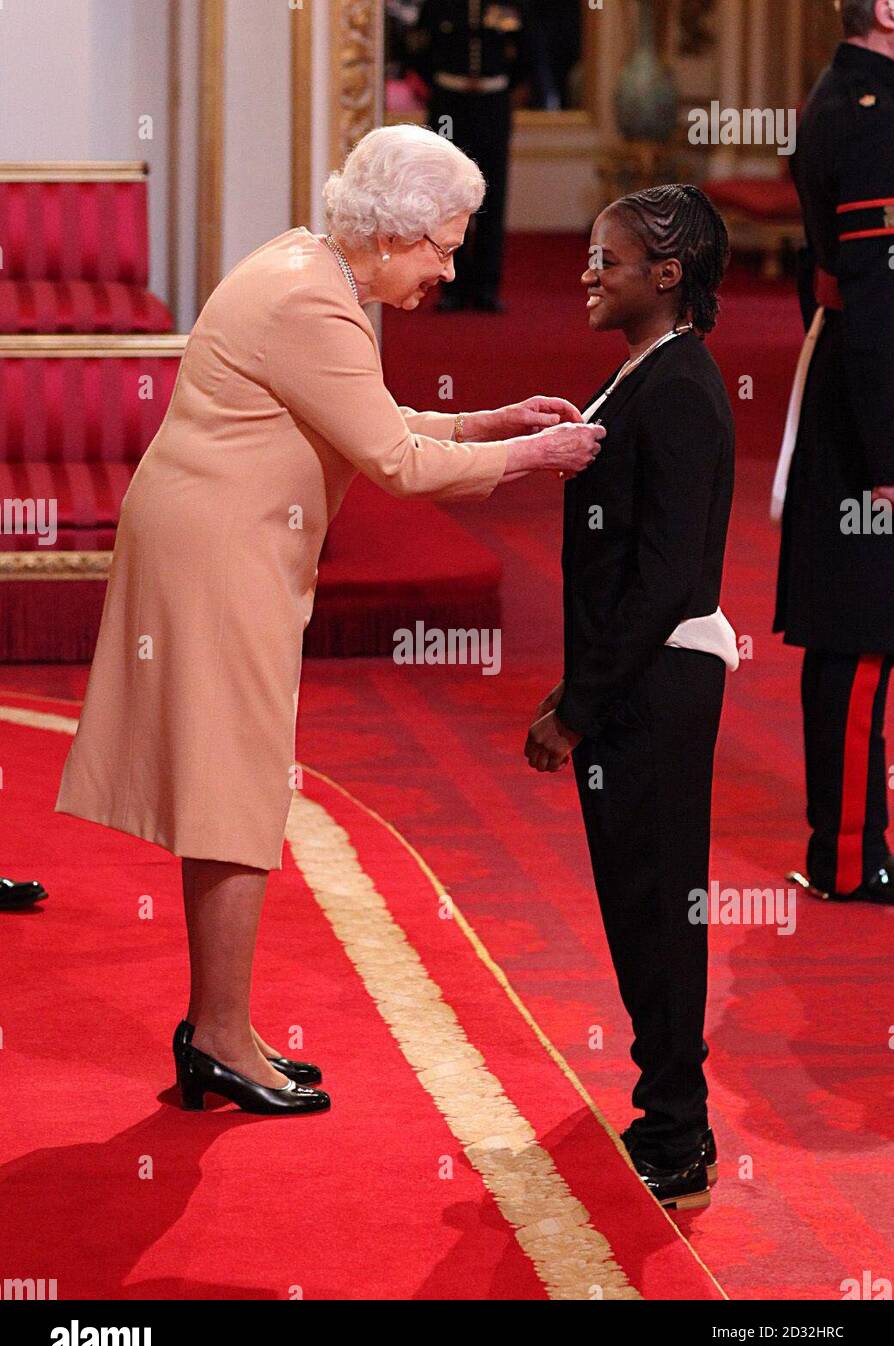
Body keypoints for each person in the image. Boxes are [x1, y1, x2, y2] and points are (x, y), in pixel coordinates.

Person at [54, 124, 603, 1117]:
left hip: (221, 543)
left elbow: (370, 417)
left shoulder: (310, 268)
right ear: (390, 235)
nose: (448, 265)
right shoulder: (313, 298)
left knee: (234, 784)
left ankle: (222, 1026)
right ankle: (218, 1036)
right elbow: (396, 463)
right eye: (441, 242)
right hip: (219, 556)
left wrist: (488, 423)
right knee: (235, 789)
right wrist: (537, 458)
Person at [525, 185, 738, 1210]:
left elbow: (660, 580)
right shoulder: (642, 374)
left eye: (603, 258)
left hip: (658, 684)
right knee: (637, 902)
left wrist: (577, 705)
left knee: (659, 906)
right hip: (634, 681)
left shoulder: (684, 387)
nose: (586, 274)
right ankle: (664, 1103)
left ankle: (681, 1132)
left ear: (666, 274)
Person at [773, 0, 894, 904]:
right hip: (870, 410)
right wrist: (887, 454)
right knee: (861, 640)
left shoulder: (863, 97)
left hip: (860, 392)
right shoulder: (865, 113)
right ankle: (848, 857)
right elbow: (872, 297)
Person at [407, 1, 530, 312]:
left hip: (492, 104)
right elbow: (420, 49)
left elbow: (527, 51)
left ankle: (487, 286)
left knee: (492, 193)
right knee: (448, 195)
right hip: (450, 102)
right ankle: (452, 285)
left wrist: (499, 81)